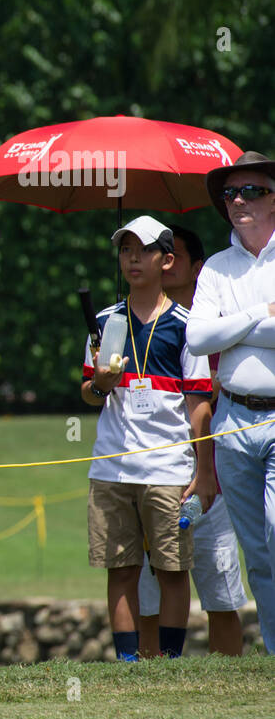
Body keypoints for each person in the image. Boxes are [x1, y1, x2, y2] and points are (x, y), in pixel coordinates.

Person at [83, 216, 215, 661]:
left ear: (167, 260)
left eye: (143, 250)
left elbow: (199, 404)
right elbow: (89, 394)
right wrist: (101, 382)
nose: (133, 259)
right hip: (111, 467)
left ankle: (171, 661)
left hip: (169, 469)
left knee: (172, 570)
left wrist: (204, 470)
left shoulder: (186, 324)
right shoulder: (103, 321)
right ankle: (127, 661)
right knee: (120, 569)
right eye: (125, 251)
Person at [137, 223, 247, 656]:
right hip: (151, 472)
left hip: (209, 473)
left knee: (221, 591)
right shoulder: (134, 323)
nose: (162, 261)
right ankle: (147, 676)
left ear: (197, 268)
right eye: (150, 251)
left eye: (173, 253)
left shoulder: (215, 325)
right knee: (149, 591)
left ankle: (229, 673)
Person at [188, 151, 275, 655]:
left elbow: (213, 332)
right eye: (229, 194)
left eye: (251, 192)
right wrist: (260, 314)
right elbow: (198, 339)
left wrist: (233, 324)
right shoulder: (217, 267)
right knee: (258, 554)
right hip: (231, 421)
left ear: (273, 198)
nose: (237, 201)